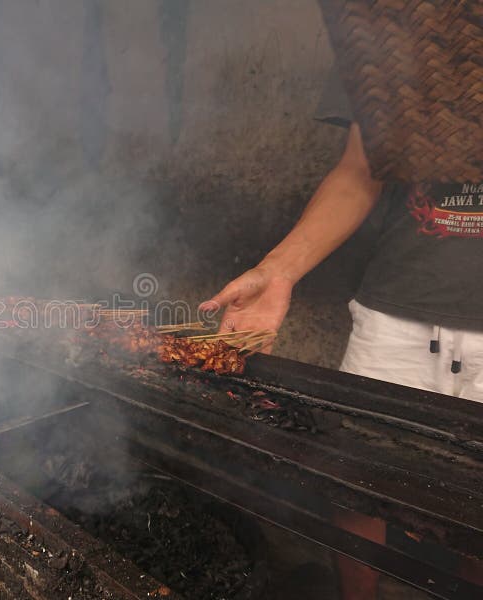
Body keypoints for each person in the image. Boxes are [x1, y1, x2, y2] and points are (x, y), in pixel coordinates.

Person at [199, 70, 483, 599]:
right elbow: (359, 170)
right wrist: (279, 269)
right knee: (355, 485)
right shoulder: (385, 25)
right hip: (395, 314)